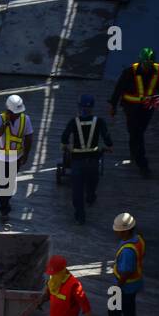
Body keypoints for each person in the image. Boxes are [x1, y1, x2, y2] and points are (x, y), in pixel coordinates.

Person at [60, 94, 112, 224]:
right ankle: (90, 197)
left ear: (79, 107)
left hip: (77, 161)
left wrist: (66, 146)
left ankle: (80, 216)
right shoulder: (99, 121)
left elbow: (64, 138)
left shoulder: (73, 122)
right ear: (92, 108)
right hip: (93, 160)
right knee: (92, 182)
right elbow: (107, 138)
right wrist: (109, 146)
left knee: (77, 189)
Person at [109, 47, 159, 178]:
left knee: (137, 133)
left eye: (150, 64)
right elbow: (118, 89)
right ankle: (143, 165)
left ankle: (134, 151)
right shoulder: (129, 72)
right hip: (131, 108)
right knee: (137, 133)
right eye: (145, 63)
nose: (148, 66)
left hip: (147, 109)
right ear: (141, 61)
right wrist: (113, 106)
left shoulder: (158, 72)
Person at [103, 212, 146, 316]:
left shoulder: (127, 251)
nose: (115, 232)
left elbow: (126, 272)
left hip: (123, 287)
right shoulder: (138, 240)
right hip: (134, 285)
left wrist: (117, 287)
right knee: (129, 312)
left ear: (126, 230)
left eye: (118, 230)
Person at [0, 94, 33, 223]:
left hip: (16, 157)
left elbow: (29, 138)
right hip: (1, 157)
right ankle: (4, 208)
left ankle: (6, 201)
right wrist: (6, 124)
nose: (17, 115)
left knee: (10, 182)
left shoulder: (25, 119)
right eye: (15, 113)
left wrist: (26, 155)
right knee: (1, 183)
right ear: (8, 110)